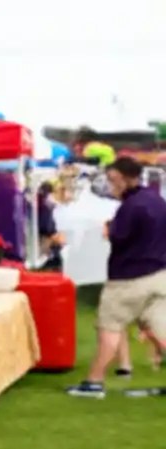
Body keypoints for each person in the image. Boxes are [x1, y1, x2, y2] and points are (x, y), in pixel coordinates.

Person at [68, 156, 166, 398]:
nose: (111, 185)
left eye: (113, 180)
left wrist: (108, 228)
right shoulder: (157, 200)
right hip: (159, 274)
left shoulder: (130, 208)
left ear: (124, 178)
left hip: (127, 279)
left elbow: (117, 236)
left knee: (109, 328)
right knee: (161, 330)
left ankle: (94, 382)